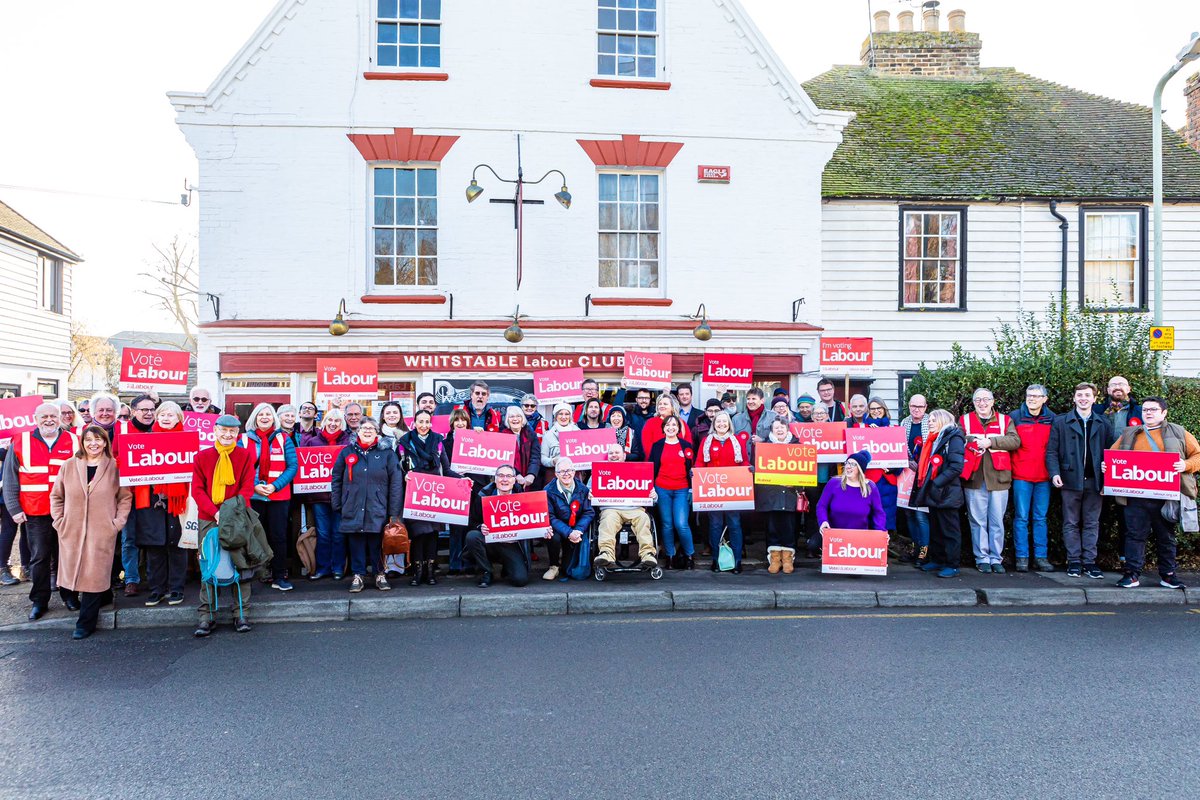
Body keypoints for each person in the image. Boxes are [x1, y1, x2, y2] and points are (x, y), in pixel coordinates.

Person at [49, 426, 132, 639]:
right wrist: (59, 521)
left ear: (105, 442)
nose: (93, 443)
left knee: (95, 576)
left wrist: (116, 523)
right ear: (82, 442)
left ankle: (85, 623)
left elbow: (124, 498)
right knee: (73, 571)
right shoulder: (69, 465)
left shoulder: (115, 466)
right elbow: (56, 496)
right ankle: (103, 597)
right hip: (72, 529)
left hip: (102, 530)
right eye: (88, 439)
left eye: (98, 439)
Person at [1109, 397, 1199, 590]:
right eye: (1145, 410)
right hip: (1135, 495)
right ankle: (1132, 574)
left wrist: (1186, 465)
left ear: (1164, 413)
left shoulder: (1178, 432)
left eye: (1153, 409)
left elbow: (1198, 455)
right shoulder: (1130, 433)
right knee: (1134, 536)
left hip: (1166, 496)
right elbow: (1113, 456)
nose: (1148, 413)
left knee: (1166, 537)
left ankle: (1168, 575)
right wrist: (1106, 466)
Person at [2, 403, 79, 620]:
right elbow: (10, 478)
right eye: (44, 416)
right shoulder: (20, 441)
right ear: (35, 419)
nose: (49, 420)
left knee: (67, 556)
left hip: (67, 511)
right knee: (39, 558)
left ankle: (70, 596)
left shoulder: (74, 441)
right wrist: (14, 509)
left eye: (53, 416)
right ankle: (39, 601)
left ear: (60, 418)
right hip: (35, 512)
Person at [190, 414, 257, 637]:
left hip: (237, 516)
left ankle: (241, 613)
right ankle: (206, 616)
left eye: (232, 431)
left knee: (241, 563)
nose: (228, 435)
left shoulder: (245, 456)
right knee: (208, 564)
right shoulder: (202, 456)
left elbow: (247, 488)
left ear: (237, 434)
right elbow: (197, 490)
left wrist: (229, 513)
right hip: (209, 516)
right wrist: (215, 512)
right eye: (224, 430)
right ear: (215, 431)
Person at [1044, 383, 1111, 579]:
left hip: (1095, 481)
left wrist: (1107, 480)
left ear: (1094, 399)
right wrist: (1054, 473)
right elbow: (1051, 451)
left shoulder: (1103, 422)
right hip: (1069, 479)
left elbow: (1111, 453)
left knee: (1092, 523)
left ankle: (1089, 562)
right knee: (1070, 522)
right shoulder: (1060, 421)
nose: (1083, 398)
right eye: (1079, 395)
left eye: (1087, 395)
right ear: (1074, 398)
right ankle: (1073, 561)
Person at [331, 417, 403, 593]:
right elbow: (336, 478)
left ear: (377, 432)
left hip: (378, 506)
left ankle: (379, 574)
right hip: (352, 505)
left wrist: (394, 511)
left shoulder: (387, 454)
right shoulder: (346, 452)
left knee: (377, 542)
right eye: (364, 428)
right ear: (358, 431)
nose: (368, 431)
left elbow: (396, 483)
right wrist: (338, 503)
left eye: (372, 428)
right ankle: (358, 575)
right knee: (356, 541)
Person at [131, 401, 191, 606]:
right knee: (154, 546)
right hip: (151, 500)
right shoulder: (144, 440)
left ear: (179, 418)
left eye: (171, 415)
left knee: (177, 545)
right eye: (162, 414)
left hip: (179, 501)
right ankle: (157, 589)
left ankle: (176, 589)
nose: (166, 418)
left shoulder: (188, 440)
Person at [960, 388, 1020, 573]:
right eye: (978, 400)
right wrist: (972, 440)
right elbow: (958, 438)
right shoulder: (965, 420)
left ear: (993, 402)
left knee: (996, 521)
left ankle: (996, 558)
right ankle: (982, 558)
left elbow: (1014, 441)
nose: (982, 403)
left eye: (986, 399)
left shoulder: (1005, 420)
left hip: (999, 478)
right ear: (973, 403)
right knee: (977, 521)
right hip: (974, 477)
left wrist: (990, 442)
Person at [398, 409, 458, 585]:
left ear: (431, 423)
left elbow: (446, 469)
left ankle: (431, 571)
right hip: (414, 494)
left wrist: (462, 480)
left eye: (427, 422)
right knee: (417, 533)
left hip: (434, 494)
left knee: (432, 533)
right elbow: (397, 468)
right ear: (414, 423)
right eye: (420, 421)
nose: (424, 425)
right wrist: (404, 476)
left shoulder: (438, 441)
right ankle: (418, 571)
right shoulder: (404, 442)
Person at [243, 403, 299, 591]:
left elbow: (292, 466)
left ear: (273, 418)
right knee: (254, 537)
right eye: (261, 414)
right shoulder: (244, 440)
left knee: (278, 537)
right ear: (255, 418)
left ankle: (279, 576)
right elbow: (240, 467)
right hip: (253, 496)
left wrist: (275, 486)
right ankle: (255, 576)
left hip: (278, 497)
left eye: (268, 414)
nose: (265, 417)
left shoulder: (284, 438)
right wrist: (255, 486)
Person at [1009, 384, 1058, 572]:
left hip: (1044, 477)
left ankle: (1040, 557)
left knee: (1040, 518)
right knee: (1021, 518)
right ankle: (1022, 557)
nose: (1031, 399)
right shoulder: (1015, 417)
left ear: (1044, 399)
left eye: (1036, 396)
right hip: (1021, 476)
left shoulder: (1052, 418)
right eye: (1029, 395)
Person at [913, 409, 966, 578]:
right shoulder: (935, 438)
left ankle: (952, 565)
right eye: (929, 420)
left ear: (943, 420)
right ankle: (937, 559)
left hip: (946, 492)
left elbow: (956, 467)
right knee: (936, 528)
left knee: (950, 530)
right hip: (935, 491)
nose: (929, 422)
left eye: (933, 420)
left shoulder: (954, 437)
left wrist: (936, 482)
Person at [299, 408, 351, 580]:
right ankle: (323, 568)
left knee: (338, 533)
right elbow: (304, 466)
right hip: (319, 496)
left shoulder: (348, 443)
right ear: (324, 422)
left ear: (342, 424)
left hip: (341, 496)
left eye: (337, 421)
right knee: (323, 534)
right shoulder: (313, 442)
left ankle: (338, 568)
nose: (333, 424)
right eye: (330, 420)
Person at [1097, 375, 1142, 567]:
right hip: (1101, 468)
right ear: (1108, 390)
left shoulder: (1140, 411)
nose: (1118, 387)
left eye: (1121, 384)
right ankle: (1095, 557)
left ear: (1129, 389)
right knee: (1098, 515)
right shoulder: (1097, 410)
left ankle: (1125, 557)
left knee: (1127, 516)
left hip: (1129, 471)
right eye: (1113, 384)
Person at [592, 444, 658, 570]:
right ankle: (606, 553)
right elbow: (587, 492)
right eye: (611, 453)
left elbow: (653, 500)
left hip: (634, 509)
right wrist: (590, 494)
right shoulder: (599, 471)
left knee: (644, 518)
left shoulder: (637, 470)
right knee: (607, 520)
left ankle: (648, 554)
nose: (614, 455)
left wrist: (654, 496)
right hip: (610, 509)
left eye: (617, 453)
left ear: (624, 455)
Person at [463, 465, 531, 587]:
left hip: (512, 544)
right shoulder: (484, 494)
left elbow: (533, 522)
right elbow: (473, 521)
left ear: (514, 479)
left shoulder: (523, 496)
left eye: (508, 476)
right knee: (472, 536)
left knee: (520, 580)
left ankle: (507, 566)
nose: (504, 479)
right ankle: (486, 571)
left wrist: (544, 530)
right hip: (490, 541)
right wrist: (480, 527)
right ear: (495, 479)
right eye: (501, 476)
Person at [699, 411, 749, 572]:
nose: (721, 424)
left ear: (729, 424)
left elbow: (744, 462)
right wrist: (696, 473)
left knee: (734, 524)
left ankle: (737, 560)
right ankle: (716, 559)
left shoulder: (737, 440)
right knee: (715, 525)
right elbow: (700, 462)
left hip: (732, 490)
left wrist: (749, 469)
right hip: (713, 490)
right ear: (714, 424)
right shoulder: (707, 441)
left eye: (724, 421)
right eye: (718, 421)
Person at [648, 415, 696, 569]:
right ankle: (670, 555)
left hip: (682, 489)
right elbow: (650, 468)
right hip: (662, 488)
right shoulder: (657, 446)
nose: (671, 427)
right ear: (663, 428)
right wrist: (651, 488)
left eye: (674, 425)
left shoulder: (686, 446)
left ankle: (689, 555)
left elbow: (693, 469)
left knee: (681, 524)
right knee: (667, 524)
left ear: (678, 428)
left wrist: (692, 489)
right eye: (667, 425)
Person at [753, 416, 800, 574]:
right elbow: (758, 470)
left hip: (789, 494)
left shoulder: (798, 447)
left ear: (787, 429)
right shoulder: (764, 447)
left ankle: (787, 558)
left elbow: (805, 471)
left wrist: (796, 483)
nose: (780, 430)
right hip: (770, 494)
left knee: (789, 526)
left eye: (782, 427)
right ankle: (774, 558)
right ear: (771, 430)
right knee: (772, 526)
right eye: (776, 427)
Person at [816, 451, 886, 542]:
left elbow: (878, 513)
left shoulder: (870, 487)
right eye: (847, 463)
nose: (848, 466)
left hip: (859, 536)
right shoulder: (834, 483)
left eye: (853, 464)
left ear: (860, 469)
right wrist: (823, 521)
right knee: (813, 545)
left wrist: (880, 533)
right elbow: (821, 506)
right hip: (834, 534)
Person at [544, 457, 595, 581]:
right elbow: (550, 517)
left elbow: (588, 512)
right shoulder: (548, 491)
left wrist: (578, 530)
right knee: (552, 536)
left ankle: (565, 560)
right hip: (559, 528)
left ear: (574, 472)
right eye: (562, 471)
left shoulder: (583, 489)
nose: (566, 474)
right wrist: (568, 532)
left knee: (567, 569)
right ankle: (553, 566)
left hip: (576, 529)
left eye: (569, 470)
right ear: (556, 474)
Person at [900, 394, 931, 564]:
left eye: (920, 406)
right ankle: (915, 546)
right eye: (913, 406)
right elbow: (900, 446)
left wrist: (923, 464)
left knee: (921, 514)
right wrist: (907, 460)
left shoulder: (931, 421)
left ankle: (924, 551)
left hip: (925, 473)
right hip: (908, 473)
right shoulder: (904, 422)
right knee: (909, 513)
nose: (916, 409)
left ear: (925, 407)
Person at [862, 397, 900, 535]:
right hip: (870, 478)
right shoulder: (862, 430)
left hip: (888, 478)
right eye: (873, 409)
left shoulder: (894, 429)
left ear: (884, 409)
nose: (876, 411)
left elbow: (901, 454)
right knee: (869, 511)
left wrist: (894, 468)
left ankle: (885, 540)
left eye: (879, 408)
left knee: (887, 513)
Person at [0, 443, 31, 585]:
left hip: (30, 490)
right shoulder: (8, 434)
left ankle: (26, 566)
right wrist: (6, 449)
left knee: (28, 530)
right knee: (9, 530)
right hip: (9, 489)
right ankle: (2, 568)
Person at [501, 405, 541, 489]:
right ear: (507, 420)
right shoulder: (502, 436)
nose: (515, 419)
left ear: (523, 419)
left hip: (529, 480)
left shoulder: (531, 434)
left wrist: (531, 474)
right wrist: (516, 474)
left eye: (518, 416)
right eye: (511, 417)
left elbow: (535, 456)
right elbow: (503, 459)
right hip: (509, 479)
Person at [540, 402, 579, 483]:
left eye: (567, 414)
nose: (563, 417)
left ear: (570, 416)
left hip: (575, 476)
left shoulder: (578, 432)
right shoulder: (548, 435)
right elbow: (543, 458)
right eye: (560, 414)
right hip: (554, 476)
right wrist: (552, 461)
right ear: (556, 416)